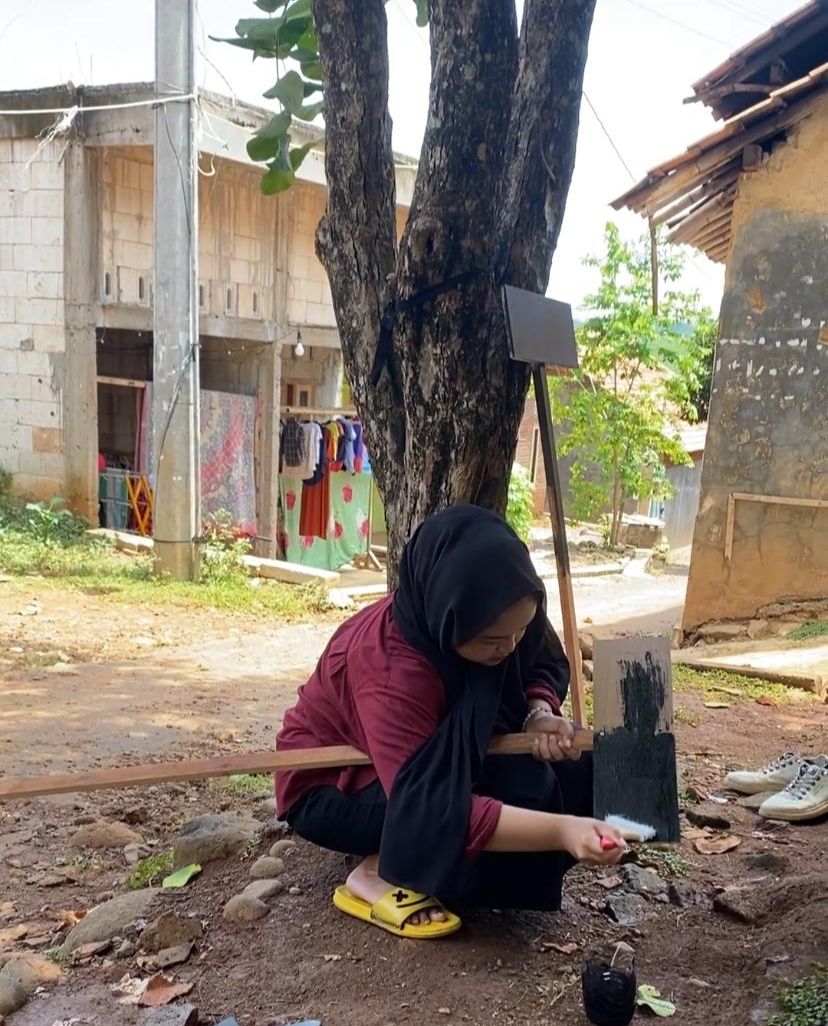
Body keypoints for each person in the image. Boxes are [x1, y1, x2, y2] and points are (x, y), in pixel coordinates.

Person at [276, 504, 625, 939]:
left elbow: (538, 658)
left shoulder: (499, 606)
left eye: (519, 632)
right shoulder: (390, 672)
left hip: (421, 756)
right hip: (336, 782)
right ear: (448, 620)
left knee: (574, 773)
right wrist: (562, 830)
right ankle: (379, 869)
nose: (509, 648)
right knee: (515, 803)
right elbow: (432, 807)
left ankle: (430, 863)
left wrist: (538, 712)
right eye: (494, 641)